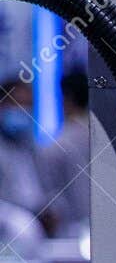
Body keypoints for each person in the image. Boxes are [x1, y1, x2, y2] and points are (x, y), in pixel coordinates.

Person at [37, 67, 91, 238]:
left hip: (70, 236)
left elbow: (51, 201)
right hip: (107, 229)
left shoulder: (55, 146)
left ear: (65, 98)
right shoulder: (109, 142)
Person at [0, 73, 45, 219]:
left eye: (28, 106)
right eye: (17, 104)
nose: (23, 111)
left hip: (35, 228)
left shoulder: (30, 147)